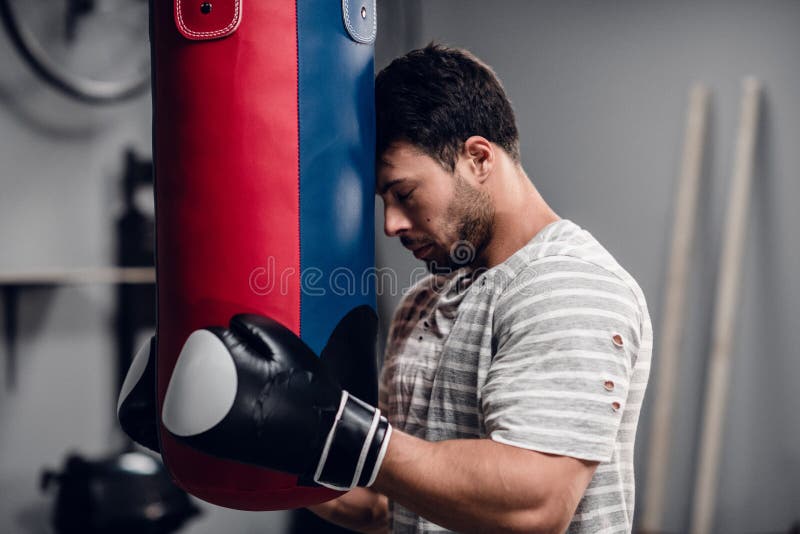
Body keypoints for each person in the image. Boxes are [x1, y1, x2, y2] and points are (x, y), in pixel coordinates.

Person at [305, 43, 653, 533]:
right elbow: (391, 505)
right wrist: (265, 442)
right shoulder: (421, 306)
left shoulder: (566, 284)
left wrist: (336, 426)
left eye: (404, 193)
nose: (391, 224)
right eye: (384, 200)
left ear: (478, 158)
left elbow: (534, 505)